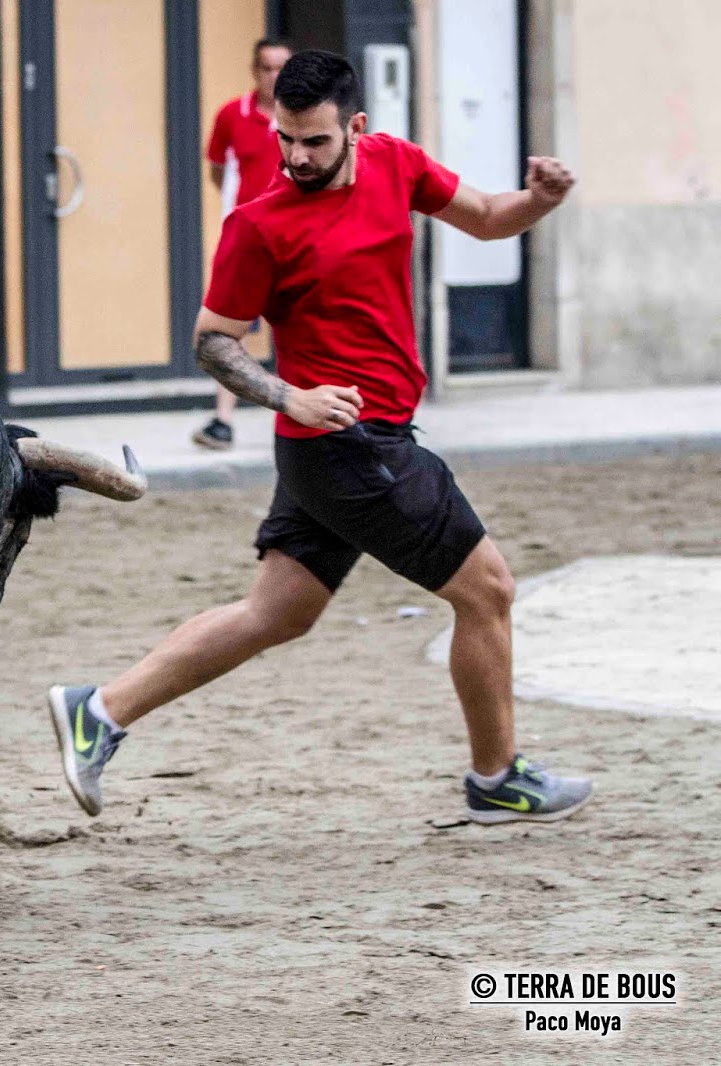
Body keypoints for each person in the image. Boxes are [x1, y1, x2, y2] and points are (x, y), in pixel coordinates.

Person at [47, 51, 592, 826]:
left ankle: (97, 711)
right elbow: (213, 341)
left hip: (344, 446)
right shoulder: (258, 223)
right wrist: (288, 396)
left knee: (278, 612)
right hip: (349, 446)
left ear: (357, 129)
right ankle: (496, 777)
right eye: (286, 139)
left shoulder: (396, 164)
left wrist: (537, 200)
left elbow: (487, 217)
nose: (297, 157)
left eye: (315, 142)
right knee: (489, 590)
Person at [193, 37, 292, 452]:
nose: (274, 76)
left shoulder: (303, 117)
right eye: (266, 68)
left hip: (294, 238)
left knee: (298, 327)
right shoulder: (232, 115)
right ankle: (222, 420)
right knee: (227, 329)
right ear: (254, 70)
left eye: (281, 68)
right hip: (248, 240)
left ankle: (304, 416)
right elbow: (217, 172)